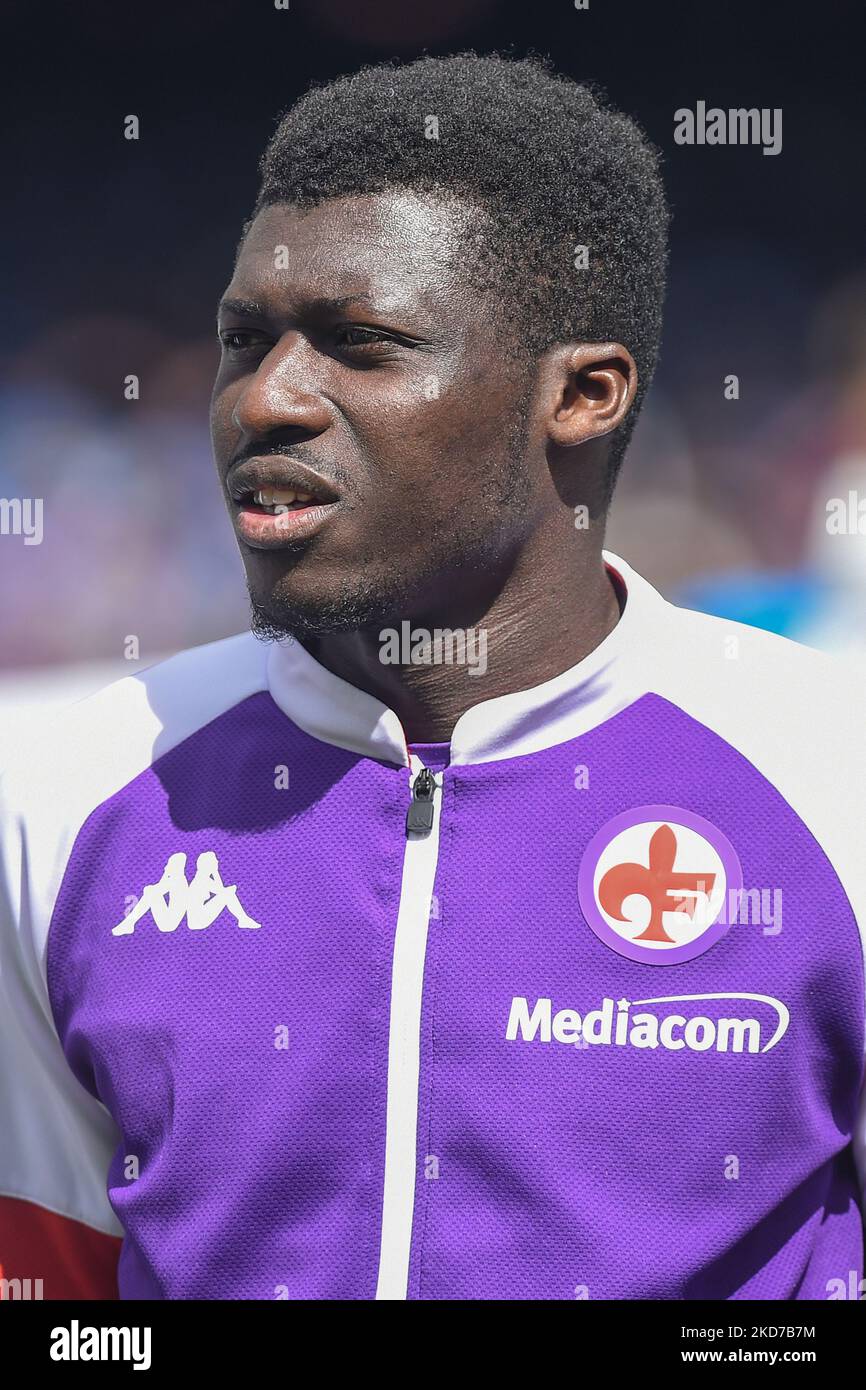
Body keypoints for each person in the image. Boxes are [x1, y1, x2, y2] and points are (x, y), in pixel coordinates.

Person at [1, 52, 863, 1302]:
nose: (267, 399)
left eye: (360, 345)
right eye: (246, 341)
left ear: (581, 394)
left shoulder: (830, 775)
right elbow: (53, 1296)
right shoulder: (71, 792)